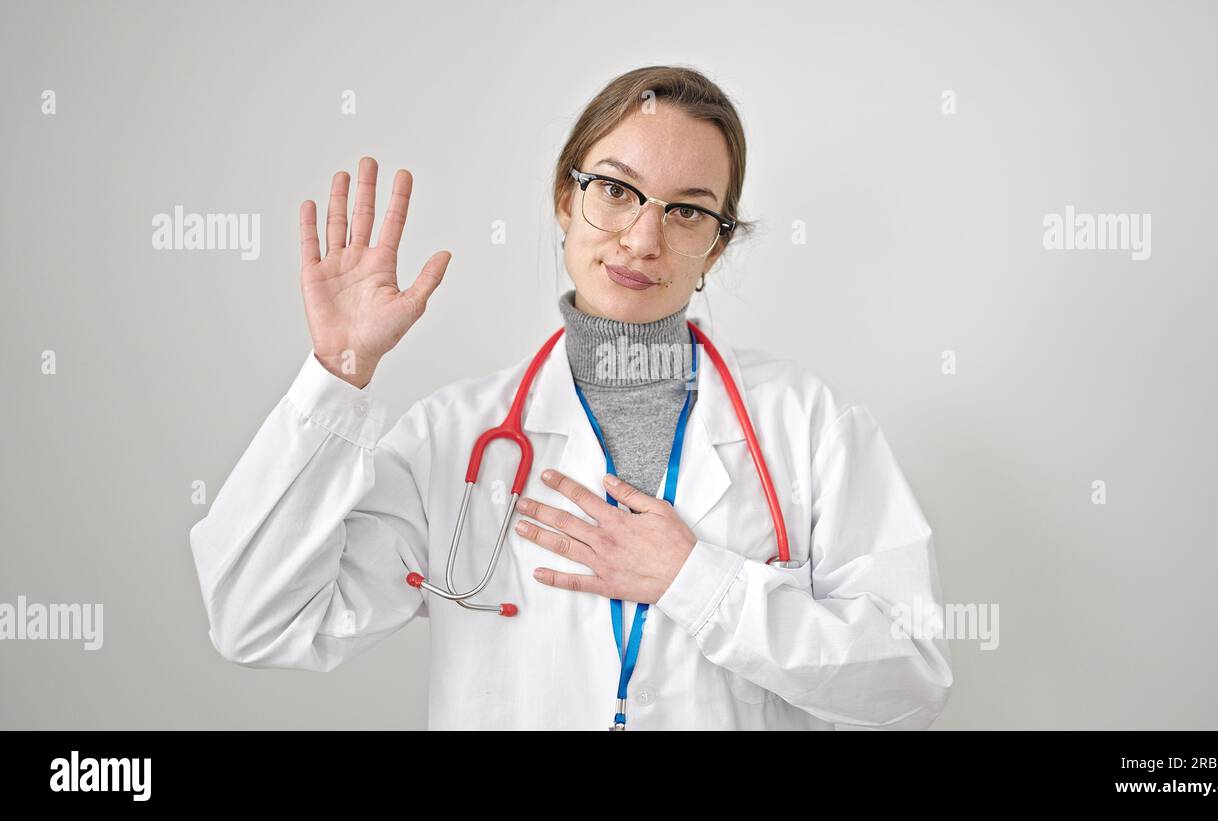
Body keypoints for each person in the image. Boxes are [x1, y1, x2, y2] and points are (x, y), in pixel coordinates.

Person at [189, 65, 954, 730]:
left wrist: (698, 582)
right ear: (566, 198)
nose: (643, 238)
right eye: (617, 190)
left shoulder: (807, 425)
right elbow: (255, 620)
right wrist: (336, 370)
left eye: (687, 209)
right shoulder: (455, 439)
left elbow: (910, 683)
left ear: (716, 244)